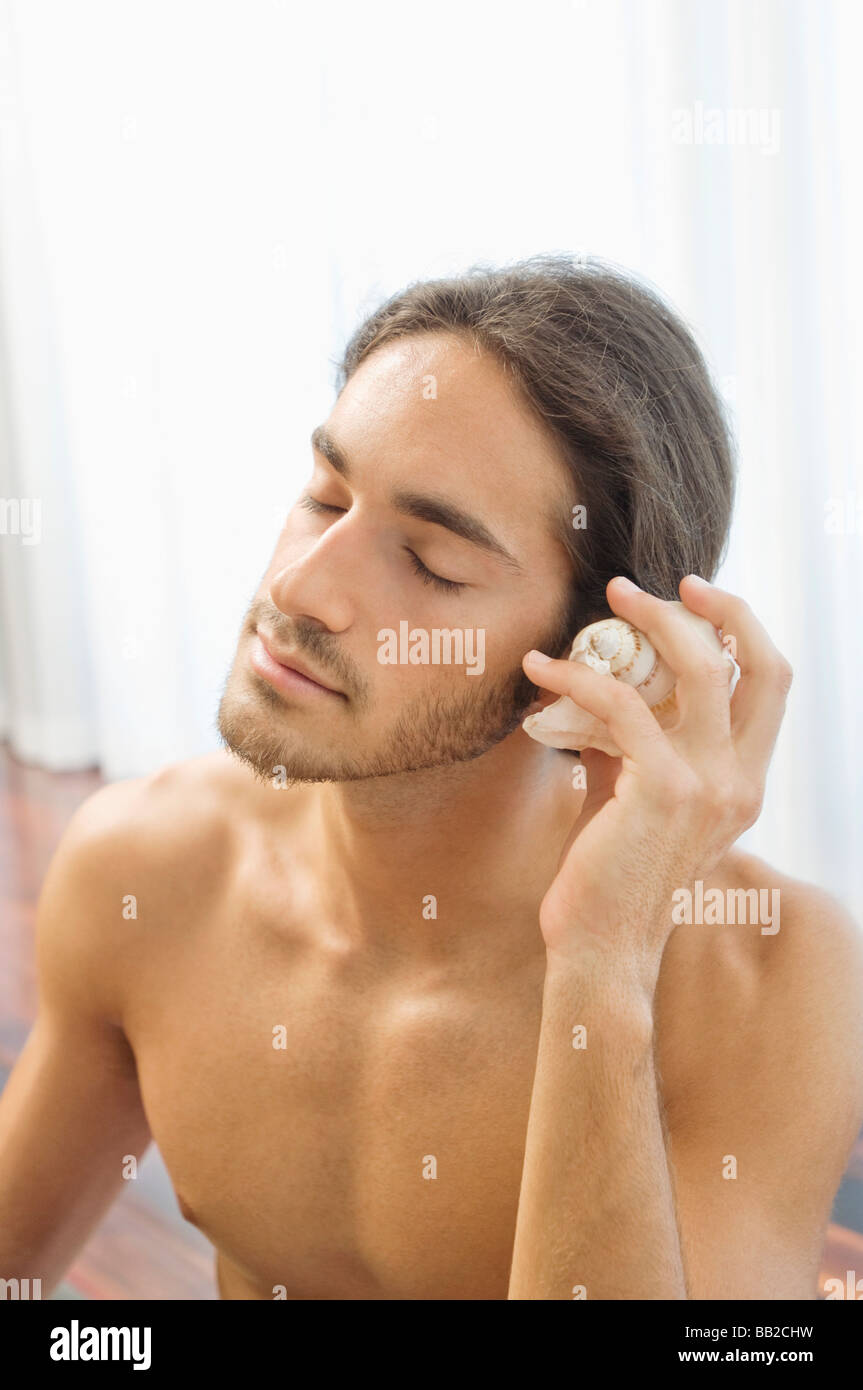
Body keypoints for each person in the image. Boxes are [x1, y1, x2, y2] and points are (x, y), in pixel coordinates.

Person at [1, 256, 861, 1300]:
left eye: (430, 563)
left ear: (597, 657)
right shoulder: (142, 868)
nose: (298, 586)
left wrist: (602, 960)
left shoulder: (771, 979)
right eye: (325, 497)